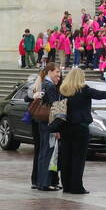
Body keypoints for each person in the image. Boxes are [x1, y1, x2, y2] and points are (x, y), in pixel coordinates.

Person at [55, 68, 106, 195]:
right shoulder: (84, 90)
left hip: (65, 127)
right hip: (81, 127)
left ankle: (66, 186)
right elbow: (102, 95)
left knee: (66, 157)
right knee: (78, 158)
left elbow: (58, 108)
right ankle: (76, 187)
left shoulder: (63, 90)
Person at [30, 63, 62, 191]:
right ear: (49, 71)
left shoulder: (43, 84)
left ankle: (40, 182)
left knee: (43, 153)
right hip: (49, 124)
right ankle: (45, 183)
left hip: (42, 123)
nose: (59, 75)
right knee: (48, 153)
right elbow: (56, 107)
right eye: (57, 72)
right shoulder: (51, 86)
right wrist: (57, 128)